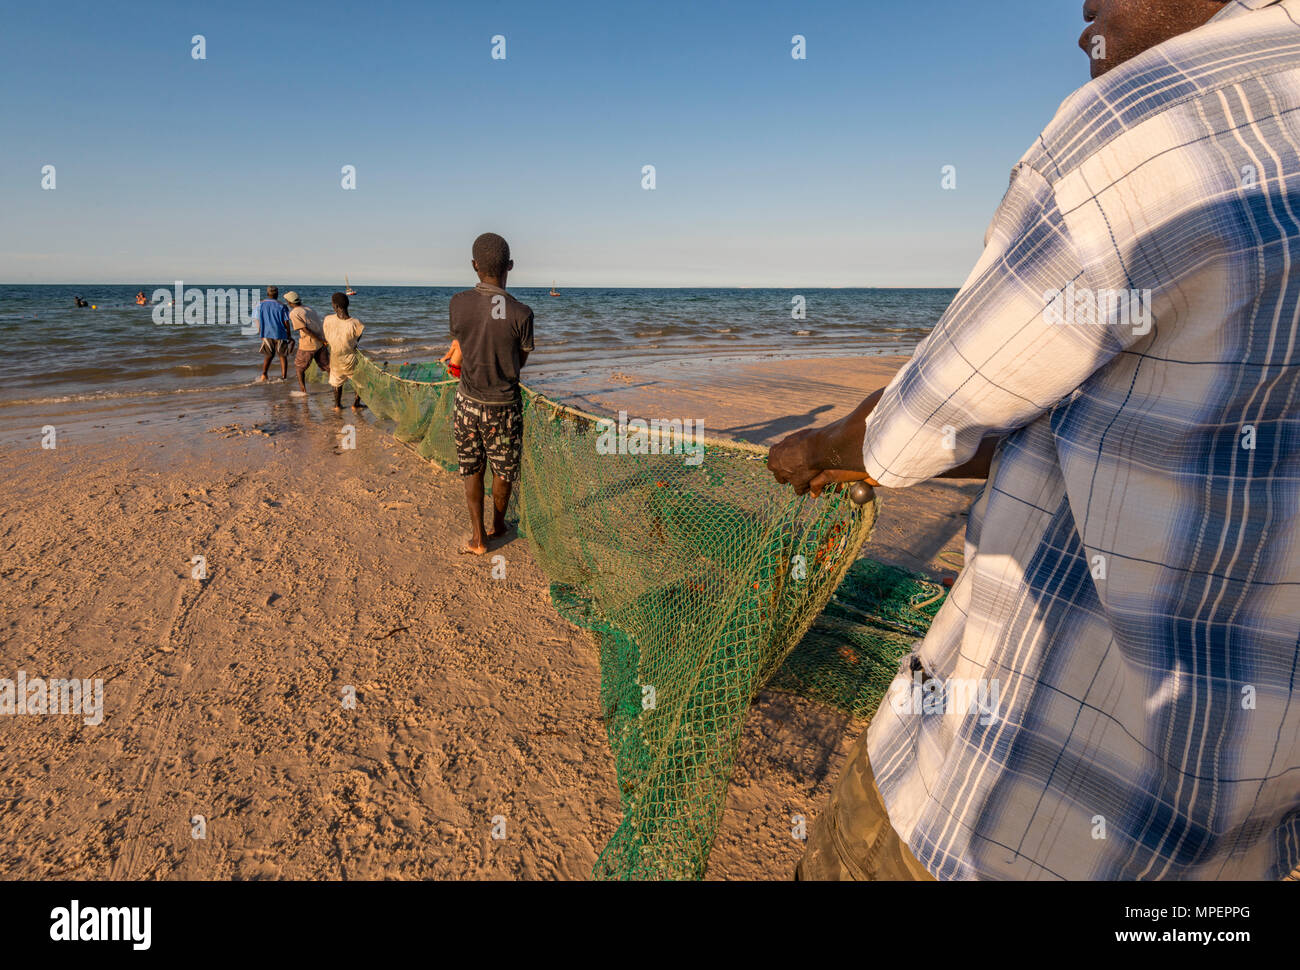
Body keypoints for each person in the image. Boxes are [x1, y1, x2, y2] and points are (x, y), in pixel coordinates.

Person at [770, 0, 1300, 881]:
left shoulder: (1150, 118)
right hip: (1226, 865)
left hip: (1001, 818)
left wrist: (819, 449)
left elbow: (922, 426)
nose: (1084, 11)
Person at [449, 232, 534, 555]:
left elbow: (463, 345)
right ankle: (498, 524)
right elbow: (520, 360)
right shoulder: (522, 313)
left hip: (467, 402)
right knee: (503, 469)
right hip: (504, 406)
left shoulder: (458, 303)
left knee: (471, 467)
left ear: (474, 266)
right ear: (510, 265)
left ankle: (477, 538)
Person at [322, 292, 365, 412]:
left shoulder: (328, 320)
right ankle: (355, 404)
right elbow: (357, 340)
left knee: (336, 382)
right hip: (350, 358)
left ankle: (337, 406)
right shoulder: (356, 323)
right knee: (359, 381)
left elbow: (326, 336)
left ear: (335, 306)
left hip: (335, 357)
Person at [284, 291, 329, 394]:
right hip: (320, 343)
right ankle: (336, 386)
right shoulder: (309, 309)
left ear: (290, 302)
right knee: (327, 366)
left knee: (299, 368)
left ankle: (303, 391)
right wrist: (322, 340)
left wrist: (320, 340)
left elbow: (305, 330)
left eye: (287, 301)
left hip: (308, 344)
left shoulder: (294, 313)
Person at [255, 285, 294, 382]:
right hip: (280, 333)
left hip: (266, 333)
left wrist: (260, 331)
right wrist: (289, 333)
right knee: (282, 355)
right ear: (277, 294)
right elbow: (286, 322)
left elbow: (257, 319)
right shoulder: (282, 305)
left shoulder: (260, 305)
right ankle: (284, 377)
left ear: (267, 294)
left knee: (268, 355)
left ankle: (264, 374)